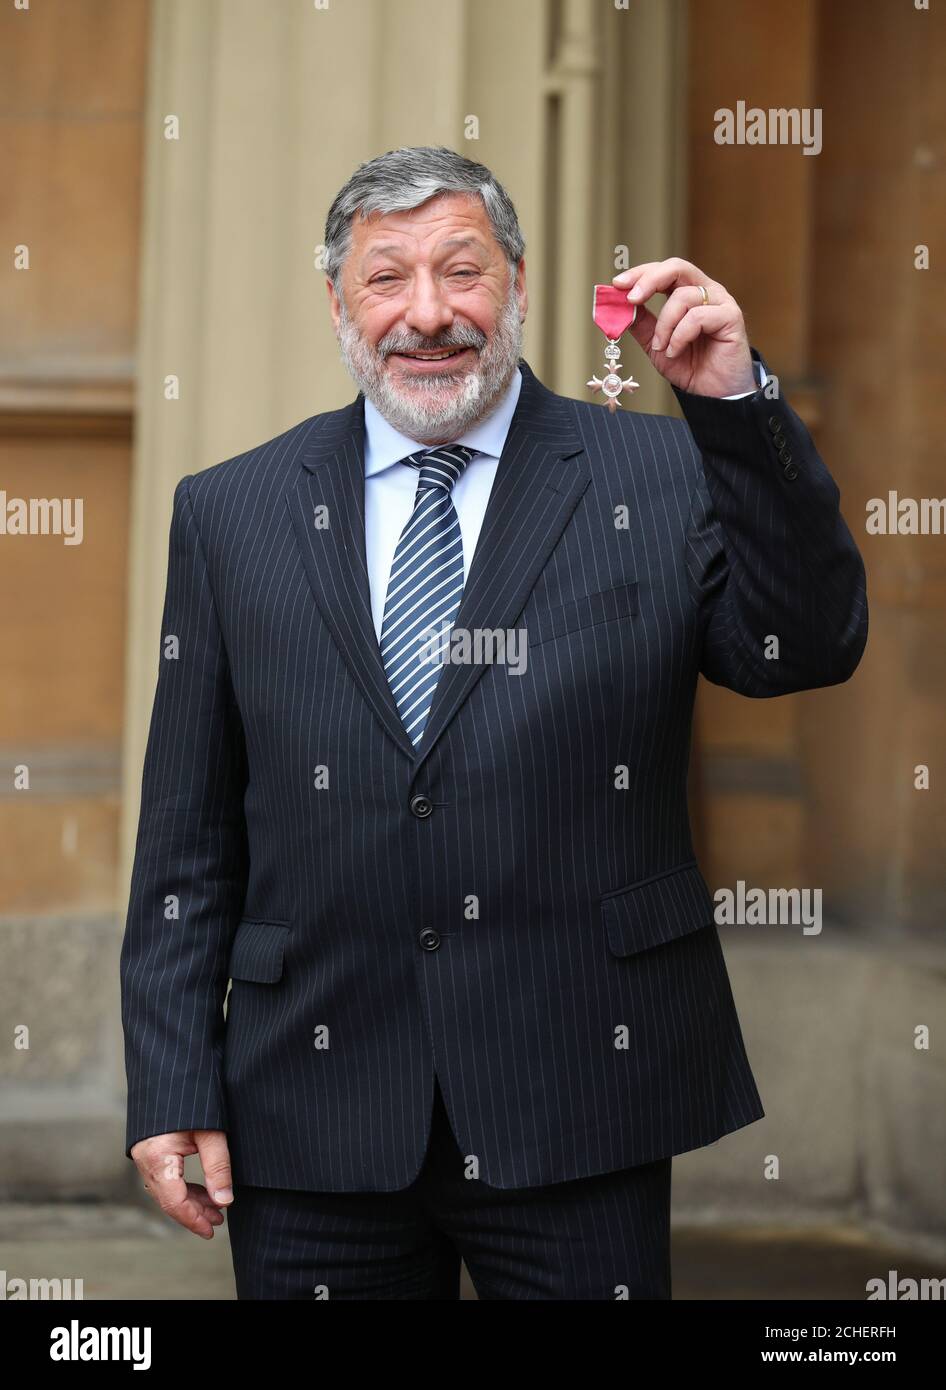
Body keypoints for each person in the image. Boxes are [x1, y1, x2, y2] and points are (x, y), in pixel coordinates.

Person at [120, 145, 868, 1300]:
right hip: (312, 1103)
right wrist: (172, 1085)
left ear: (517, 285)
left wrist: (732, 402)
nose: (428, 314)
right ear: (336, 301)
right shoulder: (230, 512)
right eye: (386, 279)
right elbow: (187, 829)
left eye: (462, 272)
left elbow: (804, 646)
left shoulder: (661, 471)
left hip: (578, 1087)